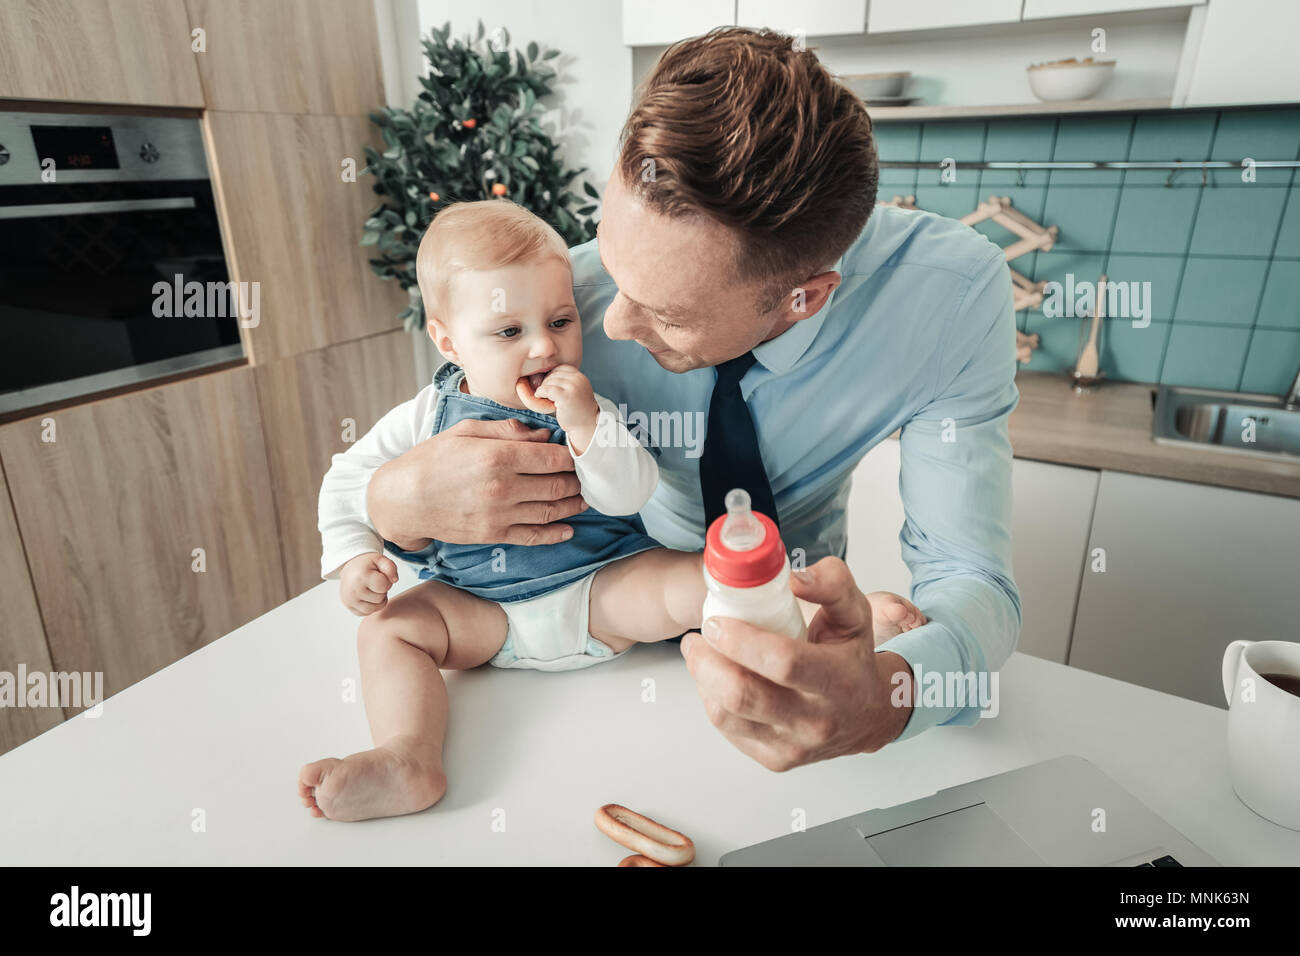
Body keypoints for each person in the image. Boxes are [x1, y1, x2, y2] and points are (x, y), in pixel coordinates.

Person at [364, 27, 1021, 773]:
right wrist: (390, 504)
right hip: (600, 658)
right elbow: (438, 452)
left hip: (796, 657)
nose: (607, 323)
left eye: (667, 315)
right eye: (610, 265)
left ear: (802, 299)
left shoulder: (950, 297)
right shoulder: (555, 302)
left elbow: (971, 580)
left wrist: (888, 696)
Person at [298, 200, 925, 821]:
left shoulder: (590, 404)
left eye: (561, 320)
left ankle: (835, 617)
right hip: (476, 612)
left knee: (698, 575)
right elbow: (347, 482)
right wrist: (355, 556)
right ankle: (408, 754)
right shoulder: (420, 419)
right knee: (387, 632)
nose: (544, 346)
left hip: (601, 590)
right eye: (510, 332)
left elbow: (628, 494)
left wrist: (587, 427)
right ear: (447, 340)